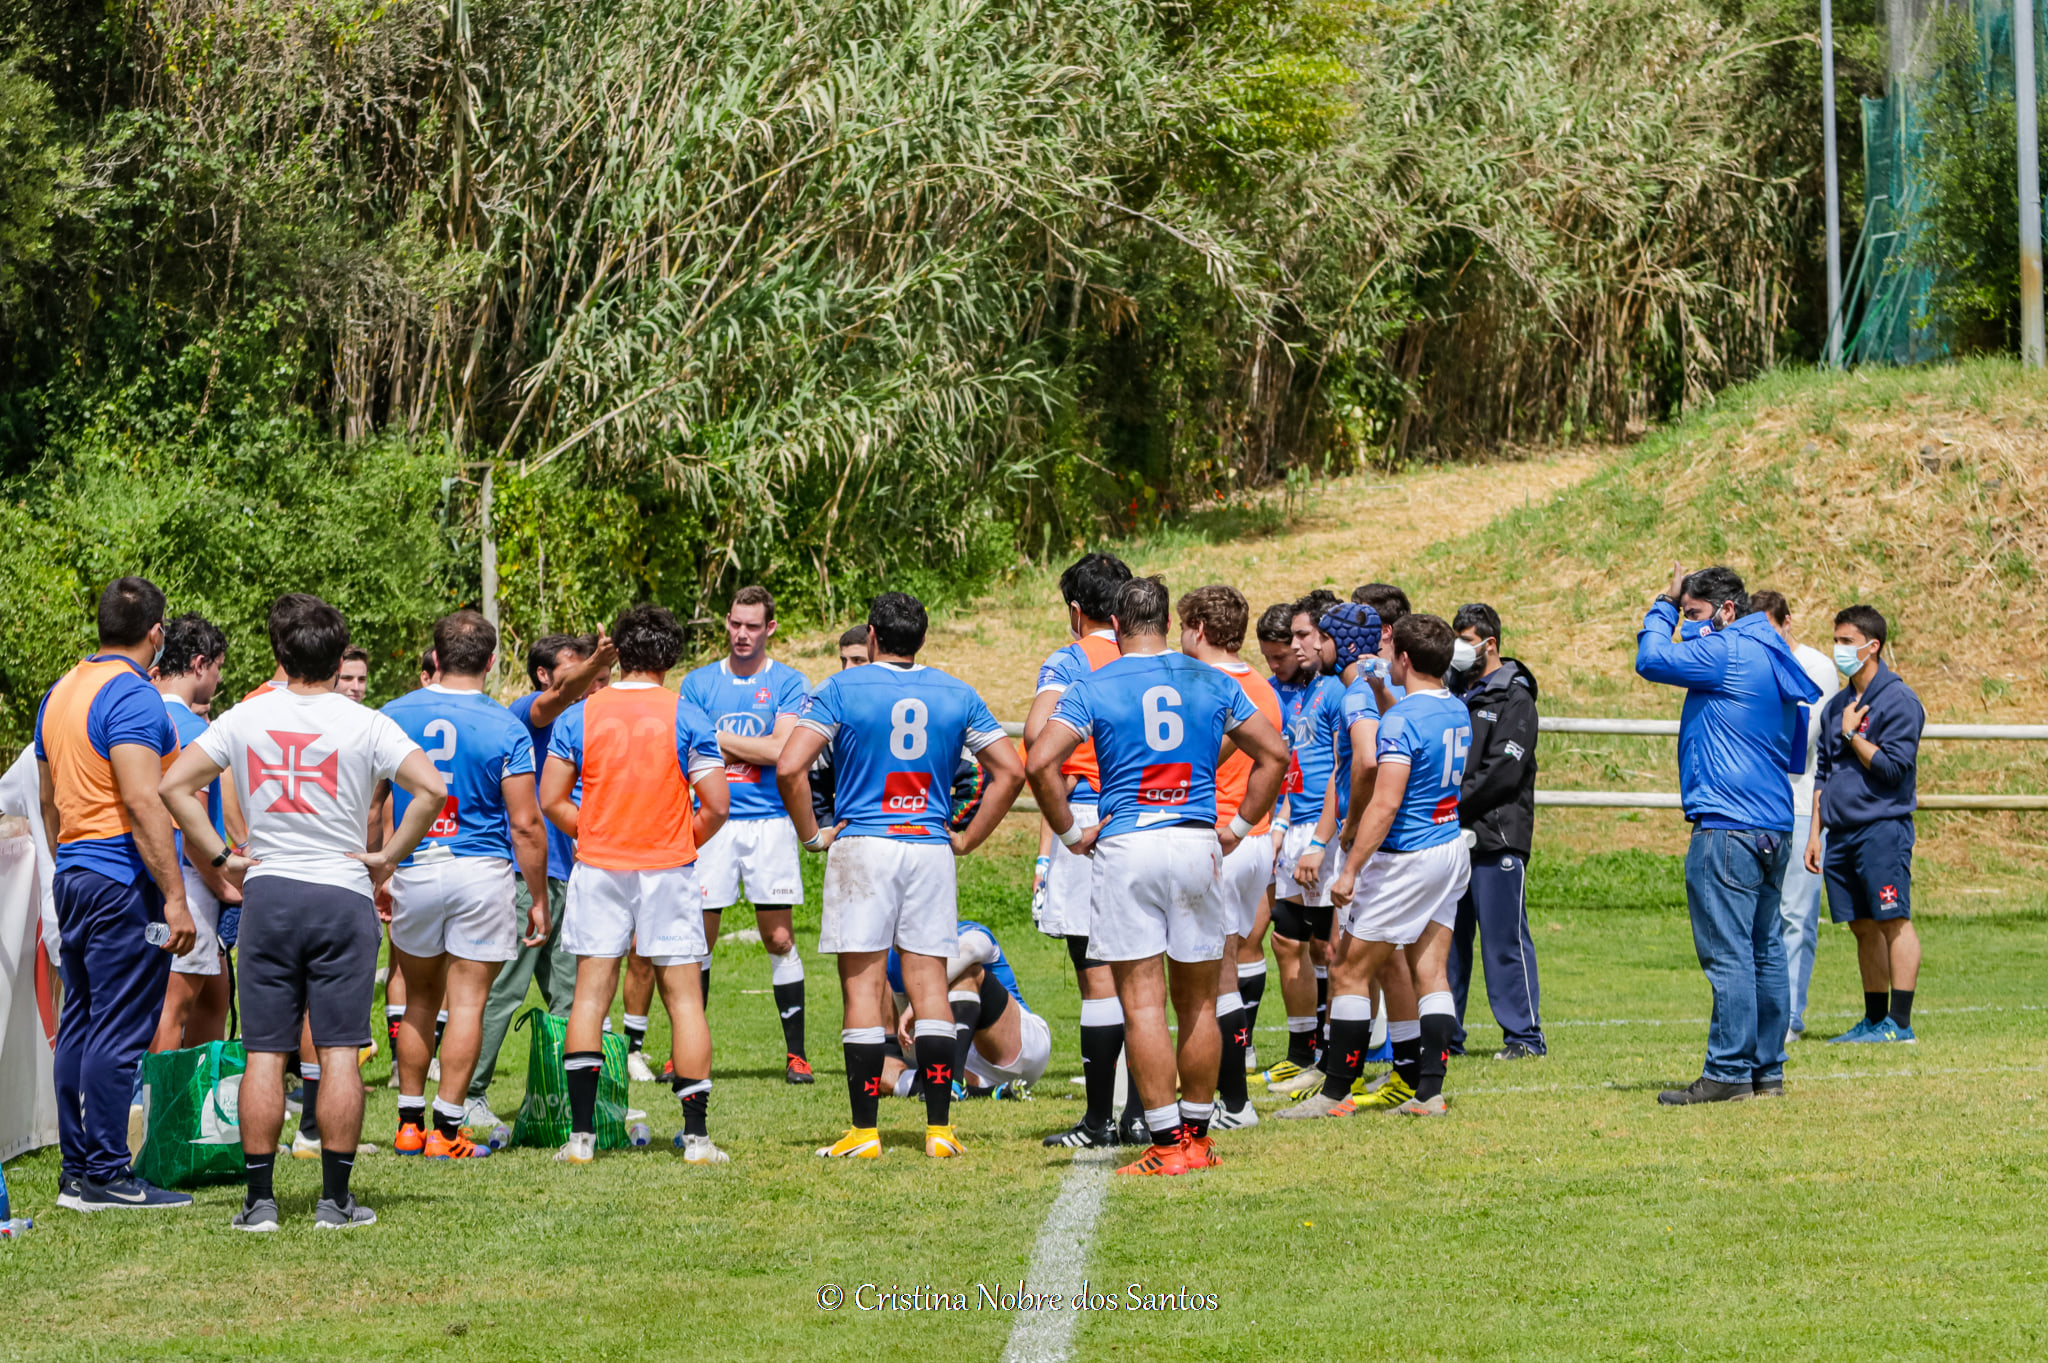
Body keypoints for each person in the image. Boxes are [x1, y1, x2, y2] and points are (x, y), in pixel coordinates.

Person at [163, 592, 448, 1231]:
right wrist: (387, 857)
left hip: (269, 893)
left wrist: (222, 858)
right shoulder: (366, 722)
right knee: (340, 1049)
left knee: (265, 1051)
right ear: (339, 657)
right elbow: (432, 788)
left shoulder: (244, 717)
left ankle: (260, 1202)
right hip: (342, 892)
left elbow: (173, 785)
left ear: (279, 653)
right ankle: (334, 1201)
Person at [1027, 576, 1287, 1177]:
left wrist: (1069, 834)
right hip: (1196, 839)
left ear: (1116, 626)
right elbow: (1274, 753)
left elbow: (1039, 760)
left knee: (1142, 1003)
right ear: (1170, 624)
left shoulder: (1093, 682)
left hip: (1128, 843)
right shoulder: (1211, 679)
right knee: (1199, 1001)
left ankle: (1167, 1144)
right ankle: (1197, 1138)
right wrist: (1238, 826)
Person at [777, 591, 1024, 1161]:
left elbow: (790, 766)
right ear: (922, 638)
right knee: (930, 985)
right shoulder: (956, 692)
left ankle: (865, 1133)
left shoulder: (841, 688)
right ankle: (939, 1130)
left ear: (871, 636)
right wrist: (967, 837)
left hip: (864, 844)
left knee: (863, 989)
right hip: (929, 847)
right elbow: (1010, 771)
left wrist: (813, 835)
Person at [539, 604, 729, 1165]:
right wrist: (679, 840)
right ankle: (696, 1139)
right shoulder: (688, 714)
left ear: (617, 652)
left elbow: (551, 799)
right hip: (667, 867)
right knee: (684, 999)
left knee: (589, 994)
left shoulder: (580, 714)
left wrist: (596, 831)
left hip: (599, 866)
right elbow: (717, 804)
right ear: (672, 657)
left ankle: (581, 1140)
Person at [39, 577, 197, 1213]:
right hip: (121, 880)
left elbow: (50, 801)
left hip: (75, 872)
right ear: (156, 633)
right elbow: (141, 799)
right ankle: (106, 1173)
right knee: (119, 1026)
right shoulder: (132, 695)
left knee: (80, 1020)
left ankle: (78, 1171)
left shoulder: (61, 690)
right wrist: (175, 898)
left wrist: (71, 864)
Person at [1635, 564, 1820, 1105]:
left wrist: (1664, 603)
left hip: (1728, 825)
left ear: (1728, 610)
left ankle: (1728, 1072)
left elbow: (1651, 659)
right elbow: (1792, 750)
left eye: (1694, 614)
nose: (1689, 624)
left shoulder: (1728, 649)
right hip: (1773, 823)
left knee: (1730, 953)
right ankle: (1766, 1073)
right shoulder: (1773, 652)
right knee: (1765, 949)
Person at [376, 611, 551, 1160]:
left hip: (414, 865)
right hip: (479, 871)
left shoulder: (393, 713)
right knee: (468, 1003)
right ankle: (447, 1130)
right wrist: (538, 897)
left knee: (419, 999)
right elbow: (526, 823)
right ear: (491, 661)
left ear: (436, 655)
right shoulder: (505, 725)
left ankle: (409, 1124)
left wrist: (379, 868)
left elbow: (372, 803)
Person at [1287, 613, 1472, 1119]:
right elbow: (1416, 729)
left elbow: (1385, 804)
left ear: (1404, 658)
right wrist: (1383, 690)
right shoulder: (1455, 707)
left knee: (1348, 969)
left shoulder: (1400, 721)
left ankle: (1334, 1094)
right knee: (1430, 971)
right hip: (1448, 847)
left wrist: (1349, 870)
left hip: (1405, 857)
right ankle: (1428, 1094)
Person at [464, 630, 615, 1128]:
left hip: (575, 875)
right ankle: (467, 1096)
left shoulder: (589, 722)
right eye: (579, 673)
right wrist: (592, 666)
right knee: (504, 989)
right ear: (545, 675)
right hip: (526, 878)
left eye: (598, 676)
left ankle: (579, 1100)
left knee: (573, 995)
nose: (591, 683)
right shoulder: (528, 712)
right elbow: (560, 696)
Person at [1023, 553, 1141, 1150]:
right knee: (1143, 977)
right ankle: (1142, 1114)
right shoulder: (1145, 653)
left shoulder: (1069, 659)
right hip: (1148, 814)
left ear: (1076, 611)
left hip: (1091, 813)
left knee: (1097, 978)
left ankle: (1097, 1121)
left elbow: (1034, 736)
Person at [681, 586, 816, 1085]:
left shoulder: (788, 681)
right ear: (727, 622)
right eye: (735, 623)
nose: (742, 634)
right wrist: (750, 746)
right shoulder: (697, 683)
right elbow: (689, 748)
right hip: (712, 820)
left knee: (779, 938)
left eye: (752, 626)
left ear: (769, 628)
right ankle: (685, 1051)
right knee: (698, 940)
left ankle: (796, 1055)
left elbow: (782, 751)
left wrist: (717, 738)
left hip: (770, 822)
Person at [1175, 585, 1282, 1131]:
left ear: (1198, 629)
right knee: (1231, 965)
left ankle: (1234, 1102)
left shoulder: (1204, 685)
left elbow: (1200, 758)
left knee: (1213, 977)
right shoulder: (1262, 685)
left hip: (1220, 836)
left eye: (1182, 626)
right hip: (1254, 838)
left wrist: (1230, 828)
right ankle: (1228, 1093)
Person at [1808, 606, 1925, 1044]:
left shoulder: (1899, 701)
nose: (1838, 649)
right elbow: (1823, 775)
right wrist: (1815, 833)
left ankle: (1901, 1023)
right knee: (1861, 925)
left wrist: (1853, 735)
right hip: (1839, 834)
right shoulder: (1836, 706)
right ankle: (1875, 1020)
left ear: (1872, 646)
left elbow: (1894, 769)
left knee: (1893, 919)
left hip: (1882, 830)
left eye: (1846, 642)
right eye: (1835, 640)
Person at [1444, 603, 1547, 1061]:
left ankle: (1524, 1037)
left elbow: (1504, 771)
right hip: (1451, 838)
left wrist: (1452, 802)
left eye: (1465, 640)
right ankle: (1445, 1035)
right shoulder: (1454, 692)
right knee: (1447, 942)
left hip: (1498, 837)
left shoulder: (1515, 698)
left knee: (1503, 940)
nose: (1457, 649)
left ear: (1490, 643)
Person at [1749, 591, 1840, 1043]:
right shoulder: (1751, 662)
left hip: (1802, 804)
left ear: (1788, 623)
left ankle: (1789, 1016)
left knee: (1796, 916)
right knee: (1757, 916)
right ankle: (1760, 1011)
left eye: (1771, 629)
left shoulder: (1816, 667)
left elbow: (1801, 745)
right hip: (1756, 804)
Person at [150, 613, 242, 1053]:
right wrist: (225, 886)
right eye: (218, 668)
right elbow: (192, 825)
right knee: (176, 1008)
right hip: (189, 880)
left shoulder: (139, 713)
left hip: (150, 873)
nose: (218, 679)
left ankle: (199, 1089)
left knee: (213, 993)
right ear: (200, 664)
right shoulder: (193, 730)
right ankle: (165, 1097)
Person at [881, 920, 1051, 1099]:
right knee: (879, 1072)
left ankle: (951, 1080)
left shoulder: (968, 932)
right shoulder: (895, 961)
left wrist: (920, 1001)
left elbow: (969, 951)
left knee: (967, 972)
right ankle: (990, 1092)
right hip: (967, 1063)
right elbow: (914, 1045)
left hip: (1021, 1048)